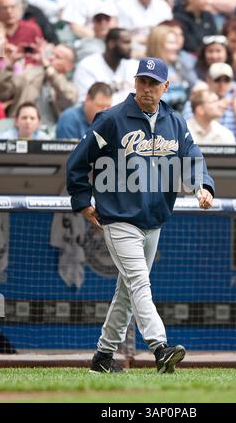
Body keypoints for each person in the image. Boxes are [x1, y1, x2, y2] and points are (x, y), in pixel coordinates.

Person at [67, 57, 214, 373]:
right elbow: (78, 161)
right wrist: (81, 199)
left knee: (127, 291)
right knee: (138, 282)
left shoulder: (174, 122)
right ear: (134, 83)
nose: (147, 88)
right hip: (118, 216)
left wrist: (203, 186)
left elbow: (192, 158)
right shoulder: (113, 119)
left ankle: (103, 358)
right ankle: (160, 348)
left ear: (166, 87)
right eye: (142, 81)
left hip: (153, 219)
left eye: (153, 83)